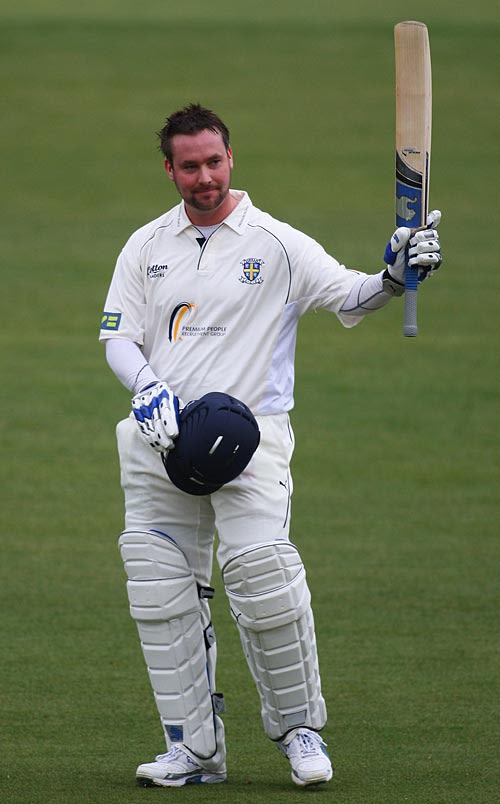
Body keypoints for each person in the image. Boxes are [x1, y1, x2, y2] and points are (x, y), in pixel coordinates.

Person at [99, 103, 442, 789]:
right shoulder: (145, 247)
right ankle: (193, 752)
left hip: (250, 443)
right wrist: (146, 388)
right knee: (160, 588)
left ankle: (300, 736)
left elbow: (352, 293)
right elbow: (118, 336)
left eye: (214, 161)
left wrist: (398, 276)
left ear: (231, 157)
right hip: (159, 439)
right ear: (169, 169)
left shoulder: (277, 244)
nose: (205, 176)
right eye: (189, 165)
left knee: (264, 581)